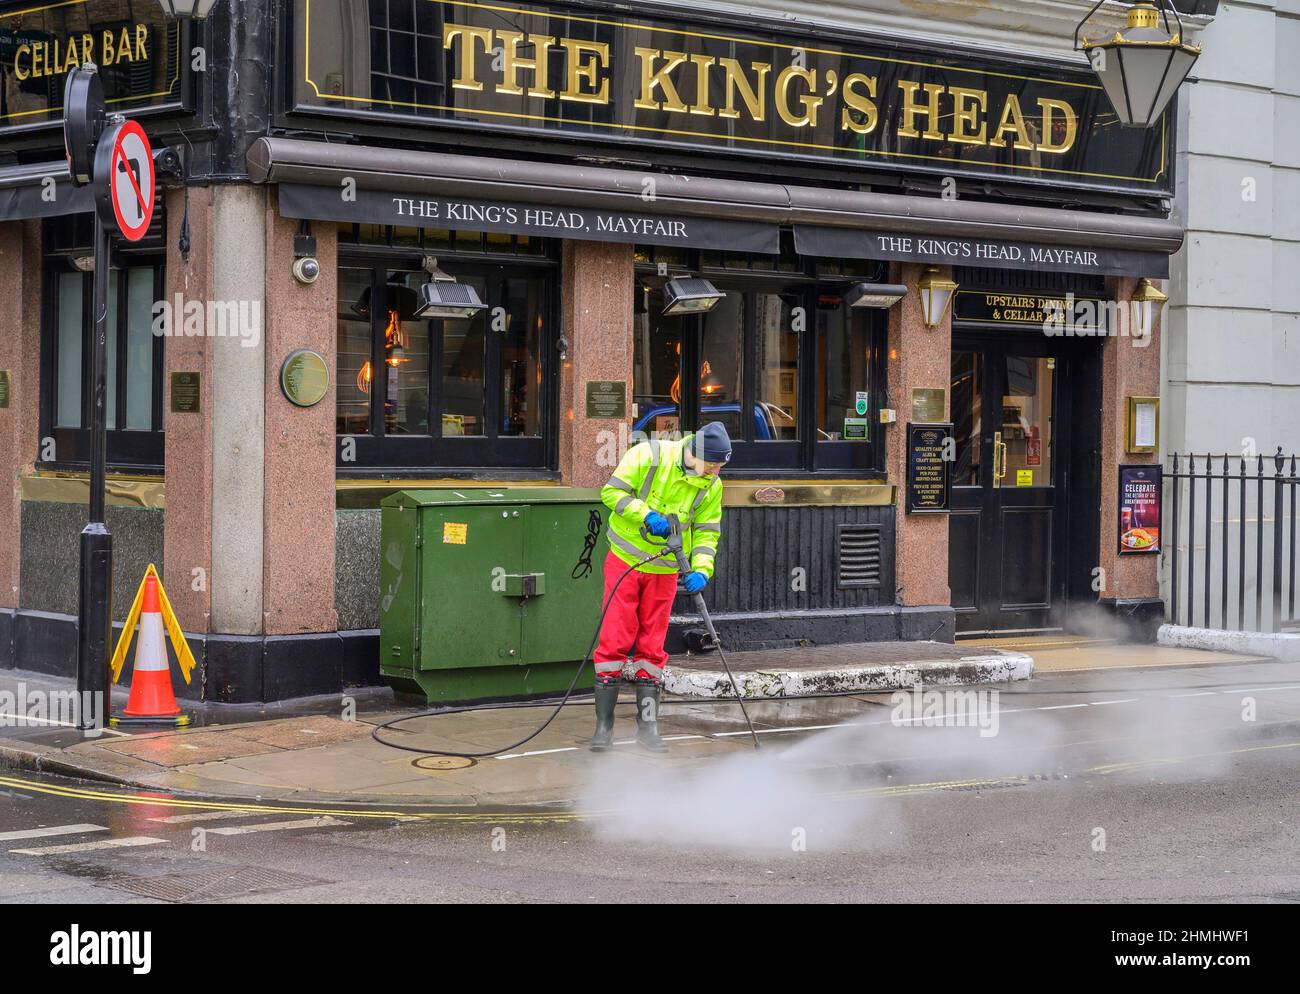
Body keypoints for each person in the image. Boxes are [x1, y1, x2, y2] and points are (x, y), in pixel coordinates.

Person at [590, 422, 731, 753]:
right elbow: (611, 493)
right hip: (626, 561)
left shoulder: (712, 485)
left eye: (720, 466)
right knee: (614, 639)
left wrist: (701, 570)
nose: (715, 471)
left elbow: (709, 531)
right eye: (712, 464)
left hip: (666, 570)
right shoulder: (648, 456)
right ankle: (603, 728)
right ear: (694, 453)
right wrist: (645, 514)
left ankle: (648, 728)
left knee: (652, 647)